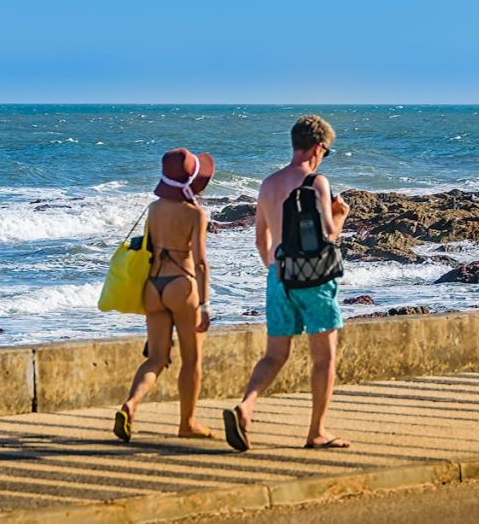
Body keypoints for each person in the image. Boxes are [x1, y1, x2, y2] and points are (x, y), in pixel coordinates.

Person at [223, 114, 351, 451]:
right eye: (326, 152)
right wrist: (340, 216)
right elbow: (327, 234)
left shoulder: (267, 184)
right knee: (324, 358)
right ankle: (316, 432)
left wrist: (276, 269)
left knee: (274, 355)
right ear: (318, 148)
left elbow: (260, 240)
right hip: (314, 279)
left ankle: (246, 406)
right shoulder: (318, 182)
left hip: (278, 277)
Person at [114, 148, 215, 442]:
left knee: (155, 359)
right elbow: (200, 262)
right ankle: (187, 423)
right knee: (191, 360)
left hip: (153, 286)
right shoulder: (195, 213)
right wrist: (205, 305)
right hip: (181, 284)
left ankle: (130, 404)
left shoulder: (154, 209)